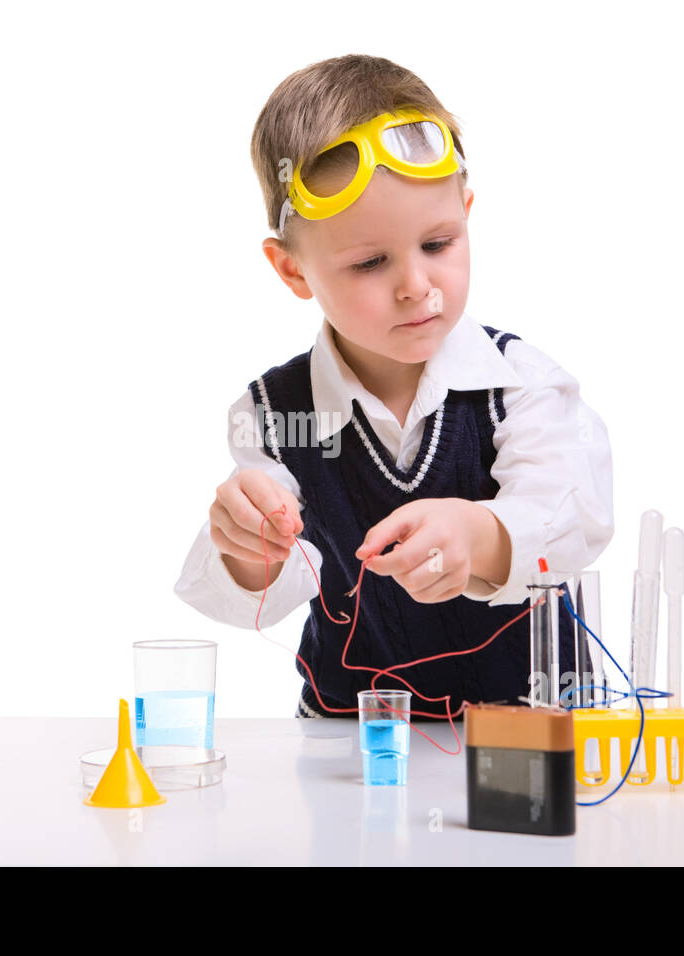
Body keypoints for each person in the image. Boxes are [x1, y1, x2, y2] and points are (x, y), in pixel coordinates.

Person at [173, 54, 614, 719]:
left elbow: (574, 515)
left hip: (532, 736)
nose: (417, 285)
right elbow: (280, 580)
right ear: (293, 271)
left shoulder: (520, 386)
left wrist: (480, 532)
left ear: (466, 212)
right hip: (353, 746)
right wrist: (249, 549)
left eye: (439, 243)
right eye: (371, 262)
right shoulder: (275, 416)